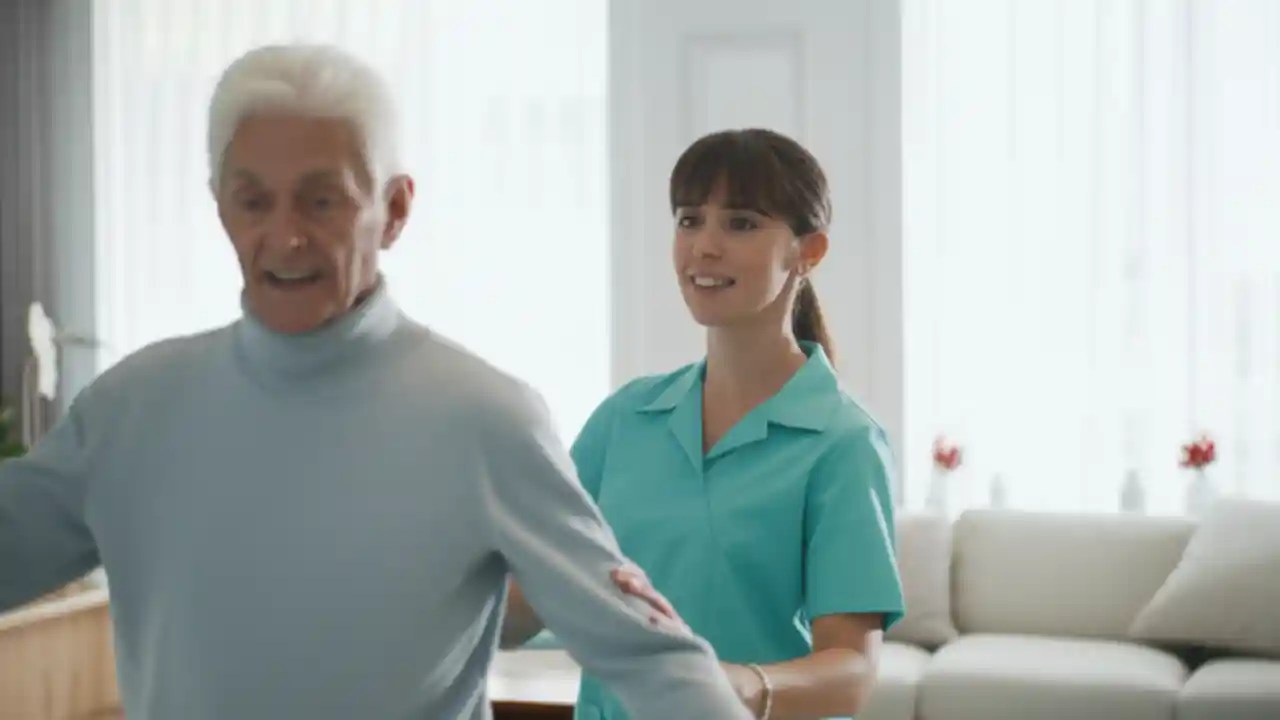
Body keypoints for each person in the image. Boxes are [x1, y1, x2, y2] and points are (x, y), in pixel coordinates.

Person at [0, 44, 752, 720]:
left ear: (393, 210)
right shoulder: (130, 411)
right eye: (254, 200)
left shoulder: (482, 418)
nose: (287, 235)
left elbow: (651, 660)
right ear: (221, 206)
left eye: (322, 200)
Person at [503, 129, 906, 720]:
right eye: (690, 221)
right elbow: (530, 603)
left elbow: (850, 669)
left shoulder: (843, 443)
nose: (704, 247)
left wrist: (740, 685)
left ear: (808, 251)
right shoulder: (624, 420)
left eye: (741, 223)